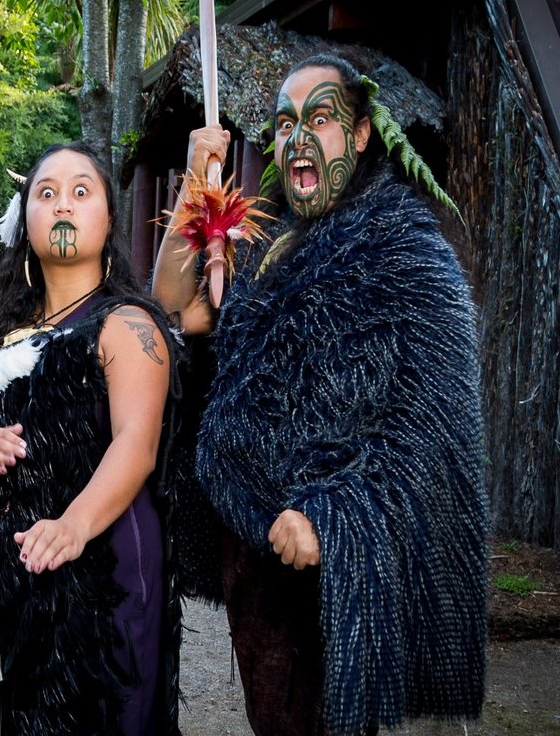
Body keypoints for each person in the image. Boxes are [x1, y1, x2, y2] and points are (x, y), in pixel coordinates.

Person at [153, 53, 488, 736]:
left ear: (361, 134)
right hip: (252, 551)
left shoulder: (408, 250)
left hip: (333, 556)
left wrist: (327, 511)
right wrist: (195, 178)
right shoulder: (272, 244)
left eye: (321, 118)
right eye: (283, 123)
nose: (297, 137)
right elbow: (170, 301)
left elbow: (429, 424)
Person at [0, 143, 179, 735]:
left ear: (108, 219)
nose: (62, 204)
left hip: (105, 574)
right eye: (45, 193)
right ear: (25, 221)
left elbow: (137, 442)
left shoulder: (126, 324)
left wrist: (73, 526)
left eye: (82, 192)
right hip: (11, 579)